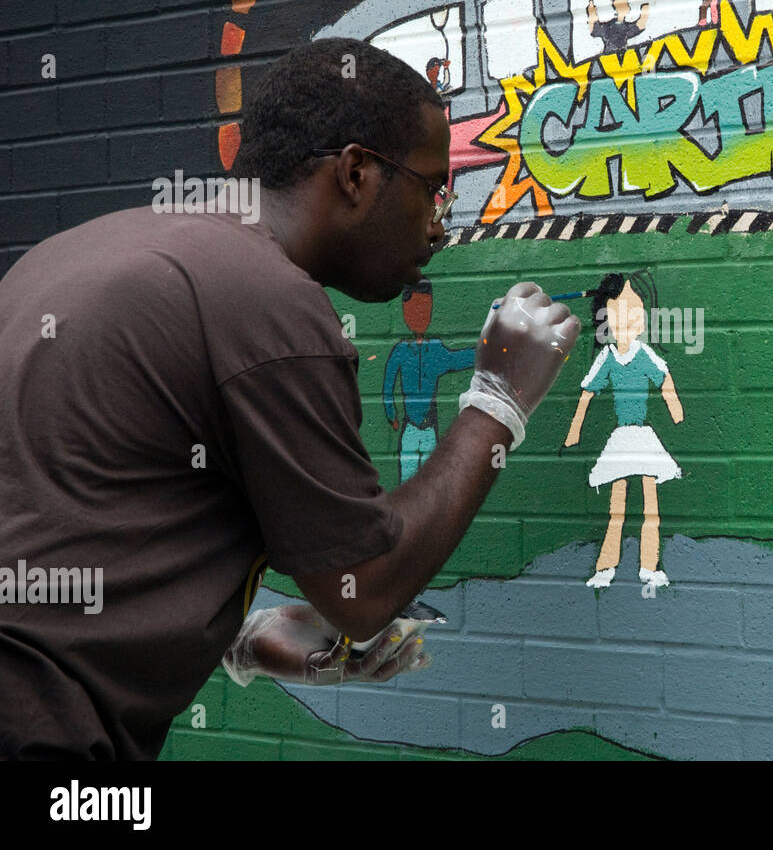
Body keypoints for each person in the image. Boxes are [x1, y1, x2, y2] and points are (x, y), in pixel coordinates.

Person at [0, 37, 580, 758]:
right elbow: (364, 592)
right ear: (357, 172)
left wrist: (233, 636)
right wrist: (499, 400)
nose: (439, 225)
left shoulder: (72, 254)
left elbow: (60, 526)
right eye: (433, 189)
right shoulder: (269, 303)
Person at [564, 273, 683, 588]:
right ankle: (606, 567)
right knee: (617, 508)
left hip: (643, 437)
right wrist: (574, 430)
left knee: (650, 506)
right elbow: (587, 392)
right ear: (606, 320)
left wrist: (676, 409)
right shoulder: (607, 357)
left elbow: (664, 378)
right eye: (619, 312)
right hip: (620, 438)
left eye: (635, 311)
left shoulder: (645, 355)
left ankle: (649, 566)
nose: (629, 319)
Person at [384, 279, 476, 481]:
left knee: (428, 483)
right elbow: (388, 382)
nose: (421, 315)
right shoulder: (401, 351)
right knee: (406, 481)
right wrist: (391, 413)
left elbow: (457, 359)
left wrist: (487, 351)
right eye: (415, 309)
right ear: (405, 310)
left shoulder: (435, 350)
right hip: (409, 427)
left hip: (429, 429)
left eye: (426, 308)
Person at [586, 0, 650, 55]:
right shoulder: (614, 27)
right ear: (617, 5)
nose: (628, 5)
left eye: (627, 2)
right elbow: (596, 30)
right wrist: (592, 14)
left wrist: (644, 14)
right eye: (625, 2)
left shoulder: (620, 25)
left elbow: (637, 26)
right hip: (611, 60)